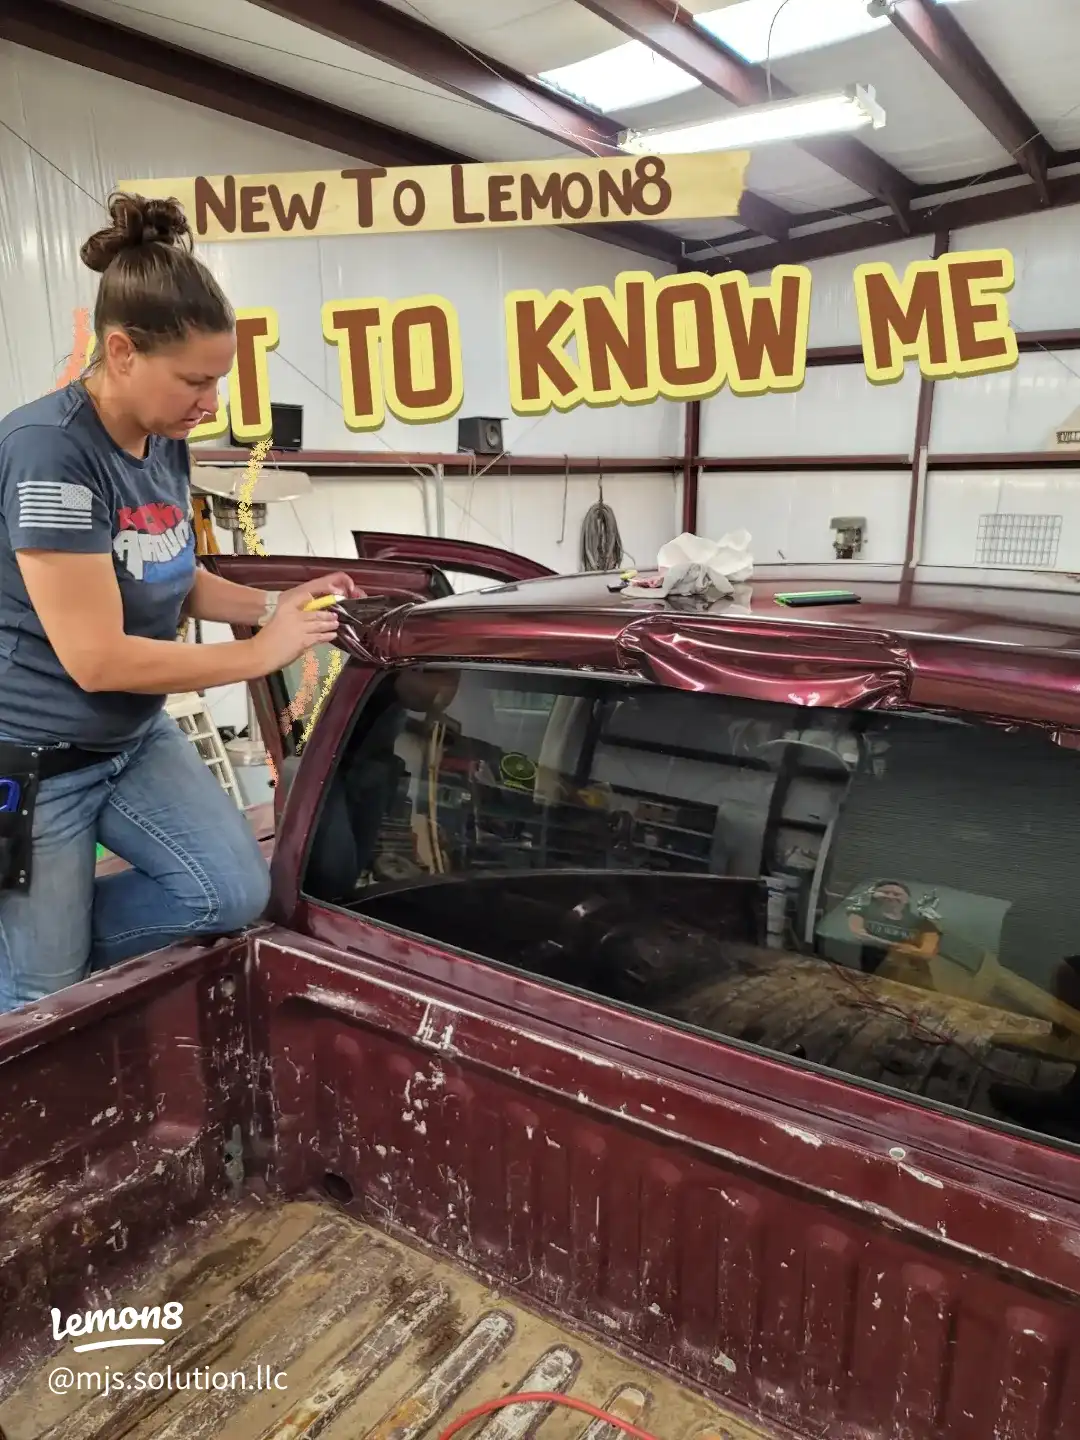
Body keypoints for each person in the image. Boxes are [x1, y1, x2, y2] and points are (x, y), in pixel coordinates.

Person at [0, 191, 357, 1012]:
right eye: (194, 381)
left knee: (233, 893)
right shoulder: (49, 453)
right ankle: (33, 969)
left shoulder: (164, 439)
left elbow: (171, 568)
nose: (211, 403)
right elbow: (95, 658)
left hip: (129, 738)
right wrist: (257, 655)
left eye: (219, 380)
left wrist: (271, 608)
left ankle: (41, 950)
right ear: (121, 352)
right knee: (39, 998)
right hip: (35, 759)